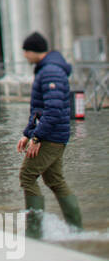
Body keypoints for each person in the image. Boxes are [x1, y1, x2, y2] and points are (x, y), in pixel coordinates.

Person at [17, 32, 83, 236]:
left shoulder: (51, 72)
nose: (25, 57)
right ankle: (76, 230)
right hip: (53, 135)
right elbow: (40, 108)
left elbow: (53, 110)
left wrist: (38, 137)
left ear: (33, 51)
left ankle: (34, 232)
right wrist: (28, 133)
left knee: (27, 176)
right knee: (55, 180)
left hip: (51, 136)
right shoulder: (48, 69)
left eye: (26, 52)